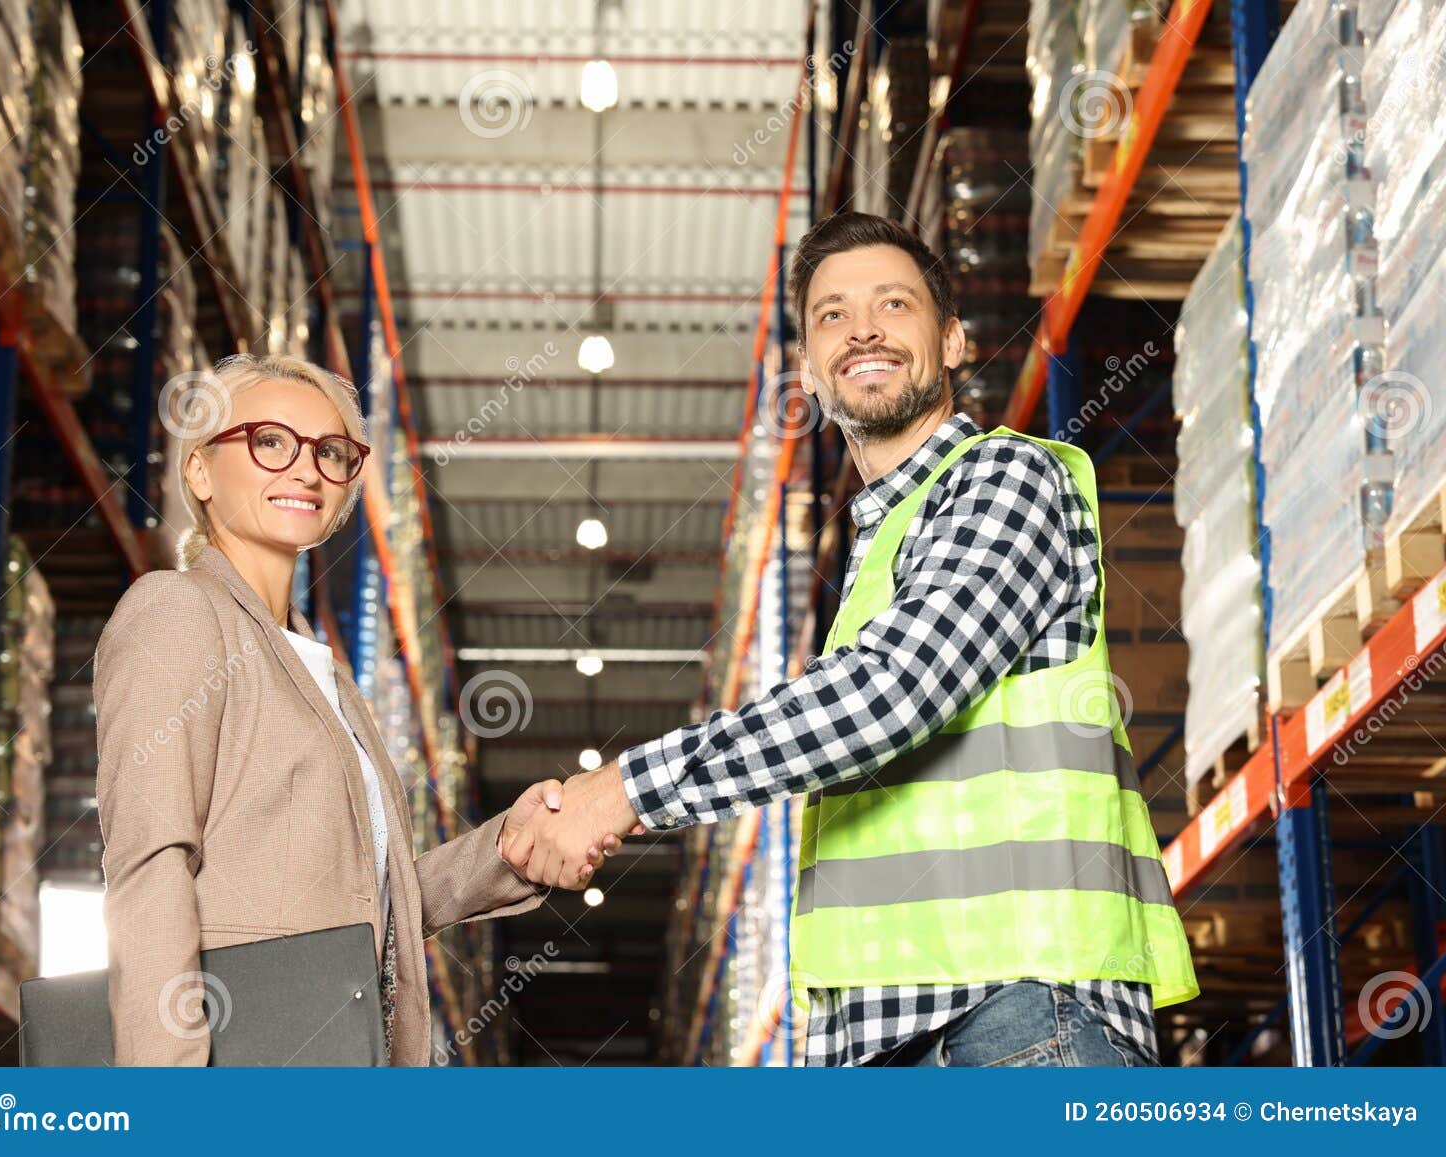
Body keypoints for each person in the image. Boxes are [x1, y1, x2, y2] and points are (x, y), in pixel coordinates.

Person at [504, 211, 1199, 1066]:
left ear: (952, 342)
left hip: (1019, 1016)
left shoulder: (1009, 478)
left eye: (893, 304)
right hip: (902, 1042)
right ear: (809, 369)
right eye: (832, 314)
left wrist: (619, 792)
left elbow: (893, 692)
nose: (862, 328)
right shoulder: (881, 552)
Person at [94, 352, 612, 1066]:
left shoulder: (329, 679)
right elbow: (149, 864)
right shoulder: (176, 612)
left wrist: (505, 848)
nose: (306, 470)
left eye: (331, 452)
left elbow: (368, 904)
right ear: (200, 469)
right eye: (270, 441)